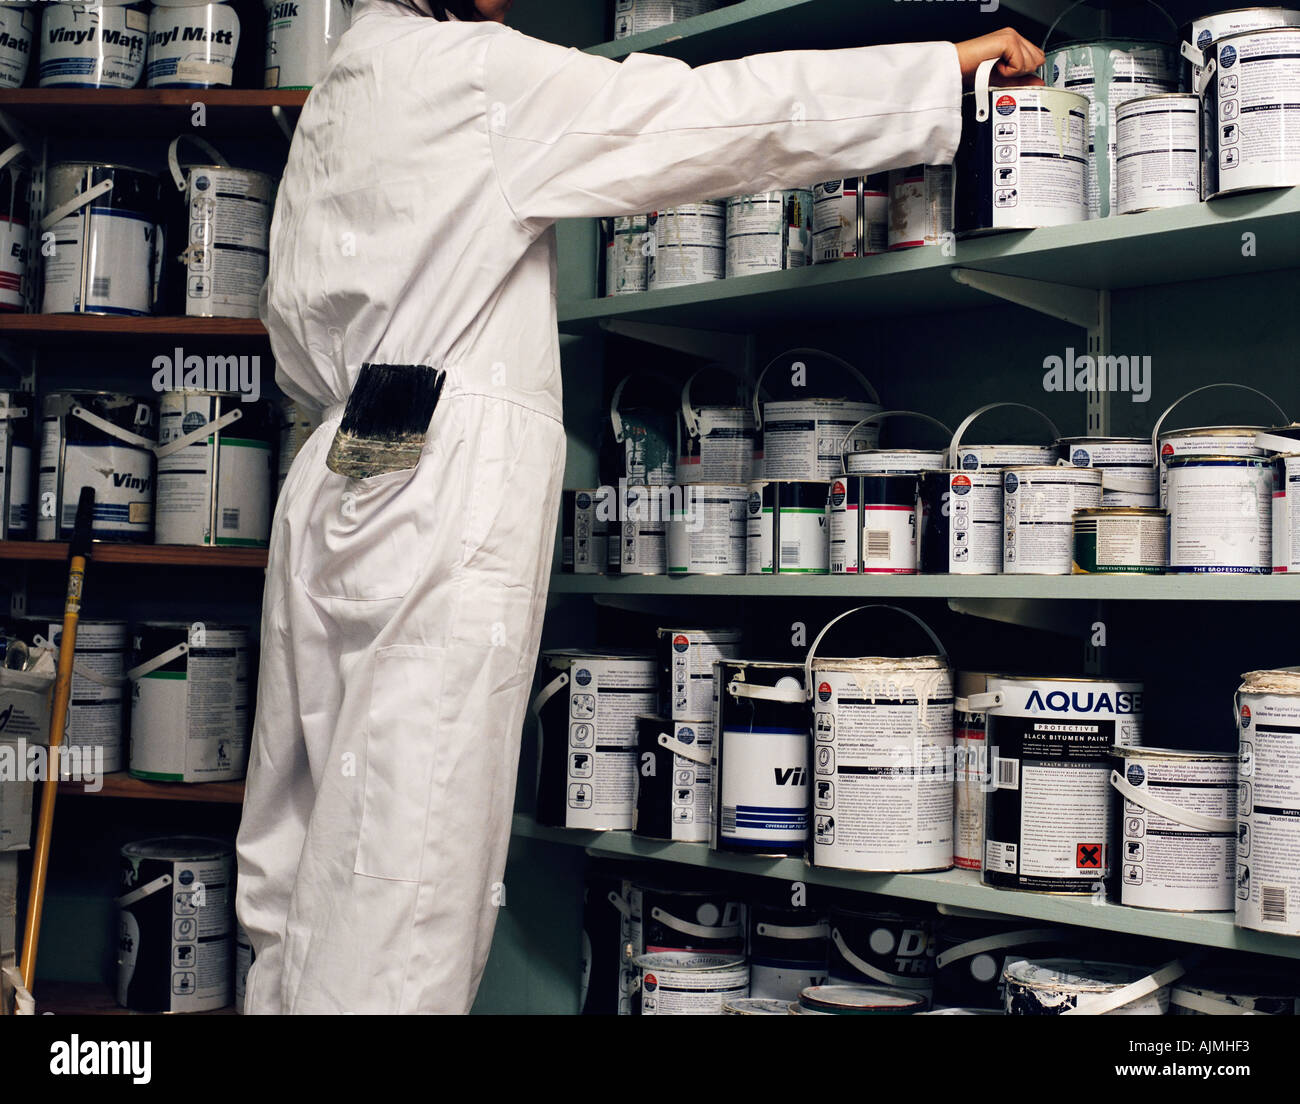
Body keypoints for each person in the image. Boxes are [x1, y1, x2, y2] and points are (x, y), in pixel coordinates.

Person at [235, 0, 1045, 1014]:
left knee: (301, 827)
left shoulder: (348, 80)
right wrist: (935, 73)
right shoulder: (480, 74)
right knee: (412, 848)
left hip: (341, 455)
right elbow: (716, 114)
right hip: (438, 464)